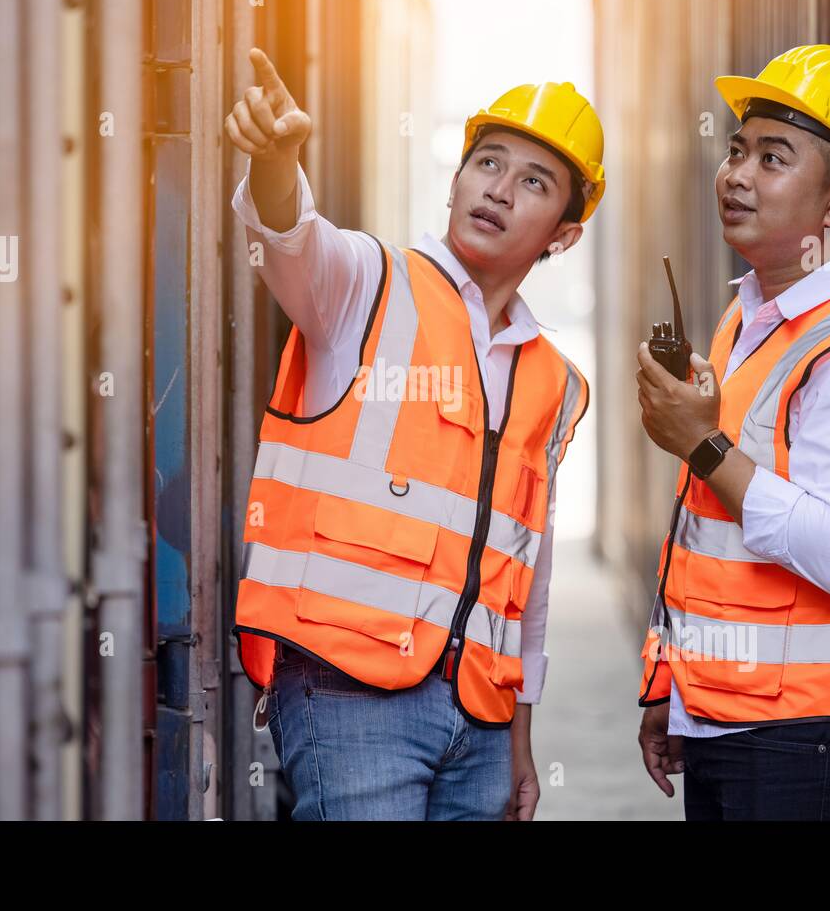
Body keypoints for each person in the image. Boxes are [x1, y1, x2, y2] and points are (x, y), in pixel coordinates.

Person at [226, 48, 600, 820]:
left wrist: (519, 733)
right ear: (457, 177)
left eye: (533, 180)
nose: (498, 187)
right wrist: (277, 162)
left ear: (563, 233)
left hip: (483, 720)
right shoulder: (370, 282)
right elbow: (291, 236)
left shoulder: (554, 380)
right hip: (349, 692)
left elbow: (528, 577)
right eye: (487, 162)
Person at [634, 44, 830, 820]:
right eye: (736, 149)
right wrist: (674, 689)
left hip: (823, 750)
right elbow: (708, 543)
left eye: (773, 157)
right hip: (740, 726)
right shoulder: (751, 319)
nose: (736, 173)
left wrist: (702, 444)